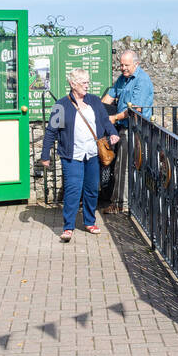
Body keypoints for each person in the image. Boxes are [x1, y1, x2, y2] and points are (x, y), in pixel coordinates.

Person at [40, 68, 120, 242]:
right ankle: (68, 227)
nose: (87, 85)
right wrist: (45, 154)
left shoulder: (94, 101)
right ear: (73, 84)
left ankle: (90, 221)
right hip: (72, 155)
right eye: (83, 82)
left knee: (91, 189)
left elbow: (105, 120)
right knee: (73, 190)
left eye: (88, 82)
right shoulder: (61, 105)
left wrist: (112, 133)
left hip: (92, 153)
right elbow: (51, 131)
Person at [100, 50, 153, 214]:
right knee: (118, 165)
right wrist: (98, 111)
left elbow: (135, 110)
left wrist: (114, 118)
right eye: (121, 65)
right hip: (121, 126)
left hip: (135, 128)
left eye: (126, 65)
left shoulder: (142, 81)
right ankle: (121, 201)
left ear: (136, 64)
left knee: (124, 166)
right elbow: (109, 97)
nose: (122, 68)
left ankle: (121, 204)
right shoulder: (123, 79)